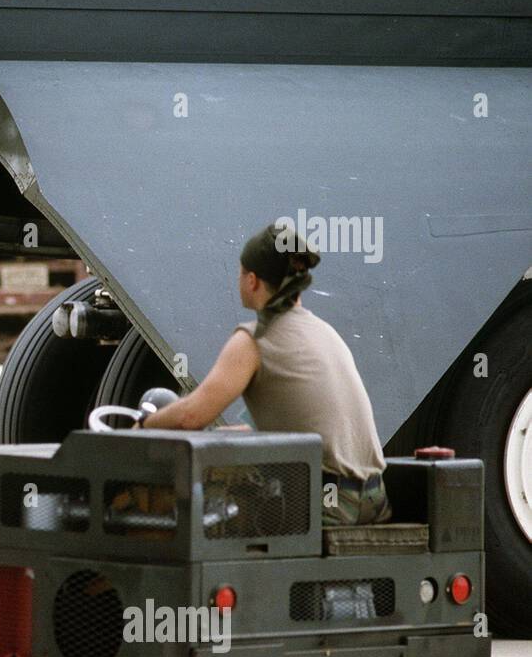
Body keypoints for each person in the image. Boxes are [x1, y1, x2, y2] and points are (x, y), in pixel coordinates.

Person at [139, 222, 390, 525]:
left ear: (252, 281)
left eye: (240, 273)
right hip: (374, 498)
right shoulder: (324, 332)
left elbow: (191, 416)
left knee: (211, 519)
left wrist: (143, 425)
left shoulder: (255, 339)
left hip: (328, 504)